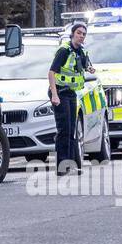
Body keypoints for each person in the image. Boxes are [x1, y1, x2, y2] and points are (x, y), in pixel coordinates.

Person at [47, 22, 94, 174]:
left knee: (72, 129)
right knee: (64, 130)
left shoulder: (81, 51)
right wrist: (54, 94)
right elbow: (51, 73)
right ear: (73, 34)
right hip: (59, 92)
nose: (81, 36)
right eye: (79, 33)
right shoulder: (64, 51)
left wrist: (90, 68)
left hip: (71, 93)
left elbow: (84, 66)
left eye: (84, 34)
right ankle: (62, 166)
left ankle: (74, 165)